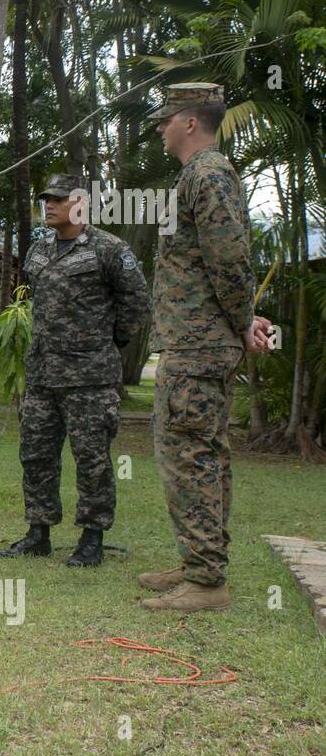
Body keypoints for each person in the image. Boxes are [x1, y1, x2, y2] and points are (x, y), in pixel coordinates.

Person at [139, 82, 271, 611]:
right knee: (199, 453)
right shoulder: (199, 175)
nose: (159, 127)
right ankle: (198, 562)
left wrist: (241, 320)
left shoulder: (209, 173)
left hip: (198, 347)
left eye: (165, 118)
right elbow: (221, 259)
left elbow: (229, 258)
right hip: (195, 342)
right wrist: (243, 317)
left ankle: (207, 580)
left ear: (190, 122)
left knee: (191, 456)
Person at [0, 173, 149, 566]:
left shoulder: (110, 249)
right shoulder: (38, 250)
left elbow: (136, 306)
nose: (49, 205)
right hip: (43, 374)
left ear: (80, 204)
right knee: (35, 455)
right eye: (46, 198)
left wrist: (106, 343)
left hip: (90, 377)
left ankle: (92, 538)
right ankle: (38, 531)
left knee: (92, 459)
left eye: (59, 199)